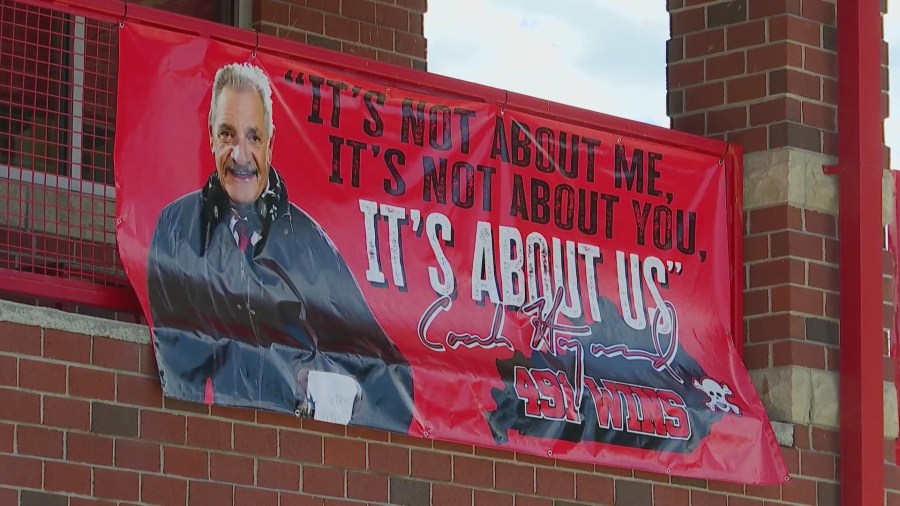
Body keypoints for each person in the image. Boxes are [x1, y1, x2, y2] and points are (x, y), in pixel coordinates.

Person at [147, 62, 414, 434]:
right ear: (210, 136)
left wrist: (325, 386)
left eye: (253, 137)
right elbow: (175, 371)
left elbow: (393, 380)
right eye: (227, 134)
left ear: (270, 143)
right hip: (212, 445)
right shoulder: (177, 228)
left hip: (291, 448)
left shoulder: (309, 244)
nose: (241, 155)